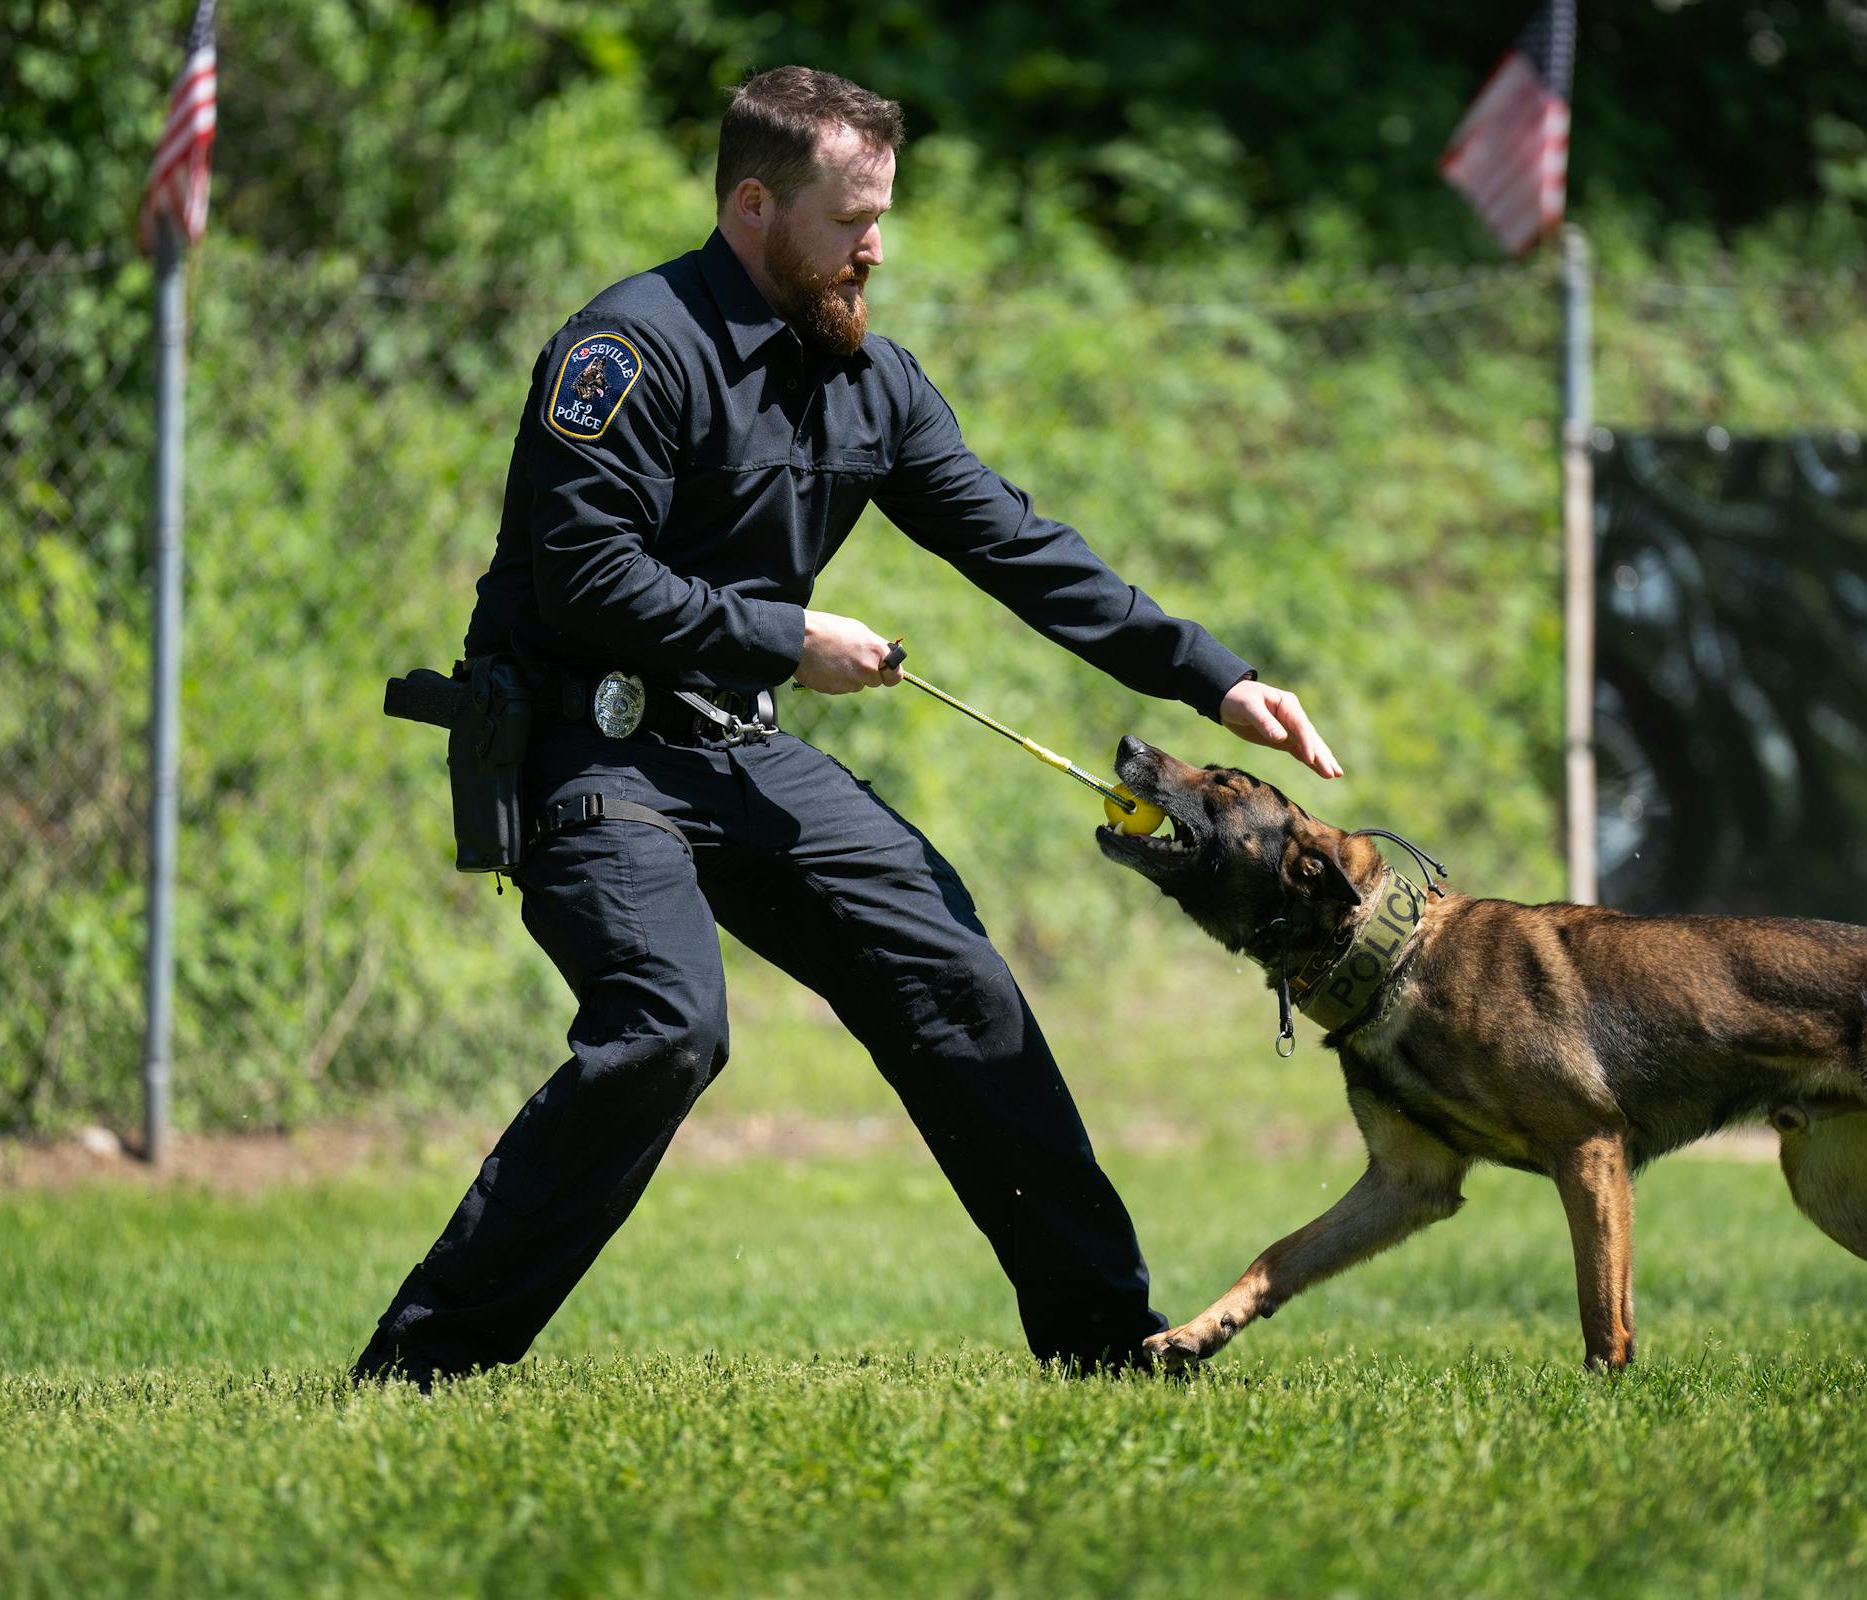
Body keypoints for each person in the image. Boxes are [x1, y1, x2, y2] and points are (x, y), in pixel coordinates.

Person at [351, 66, 1340, 1389]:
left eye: (882, 216)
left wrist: (1212, 679)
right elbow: (586, 576)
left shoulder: (871, 382)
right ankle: (423, 1366)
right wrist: (784, 639)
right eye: (850, 219)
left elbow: (1017, 546)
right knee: (665, 1027)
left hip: (735, 750)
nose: (875, 247)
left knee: (956, 977)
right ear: (754, 206)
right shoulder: (630, 350)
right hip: (589, 748)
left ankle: (1107, 1343)